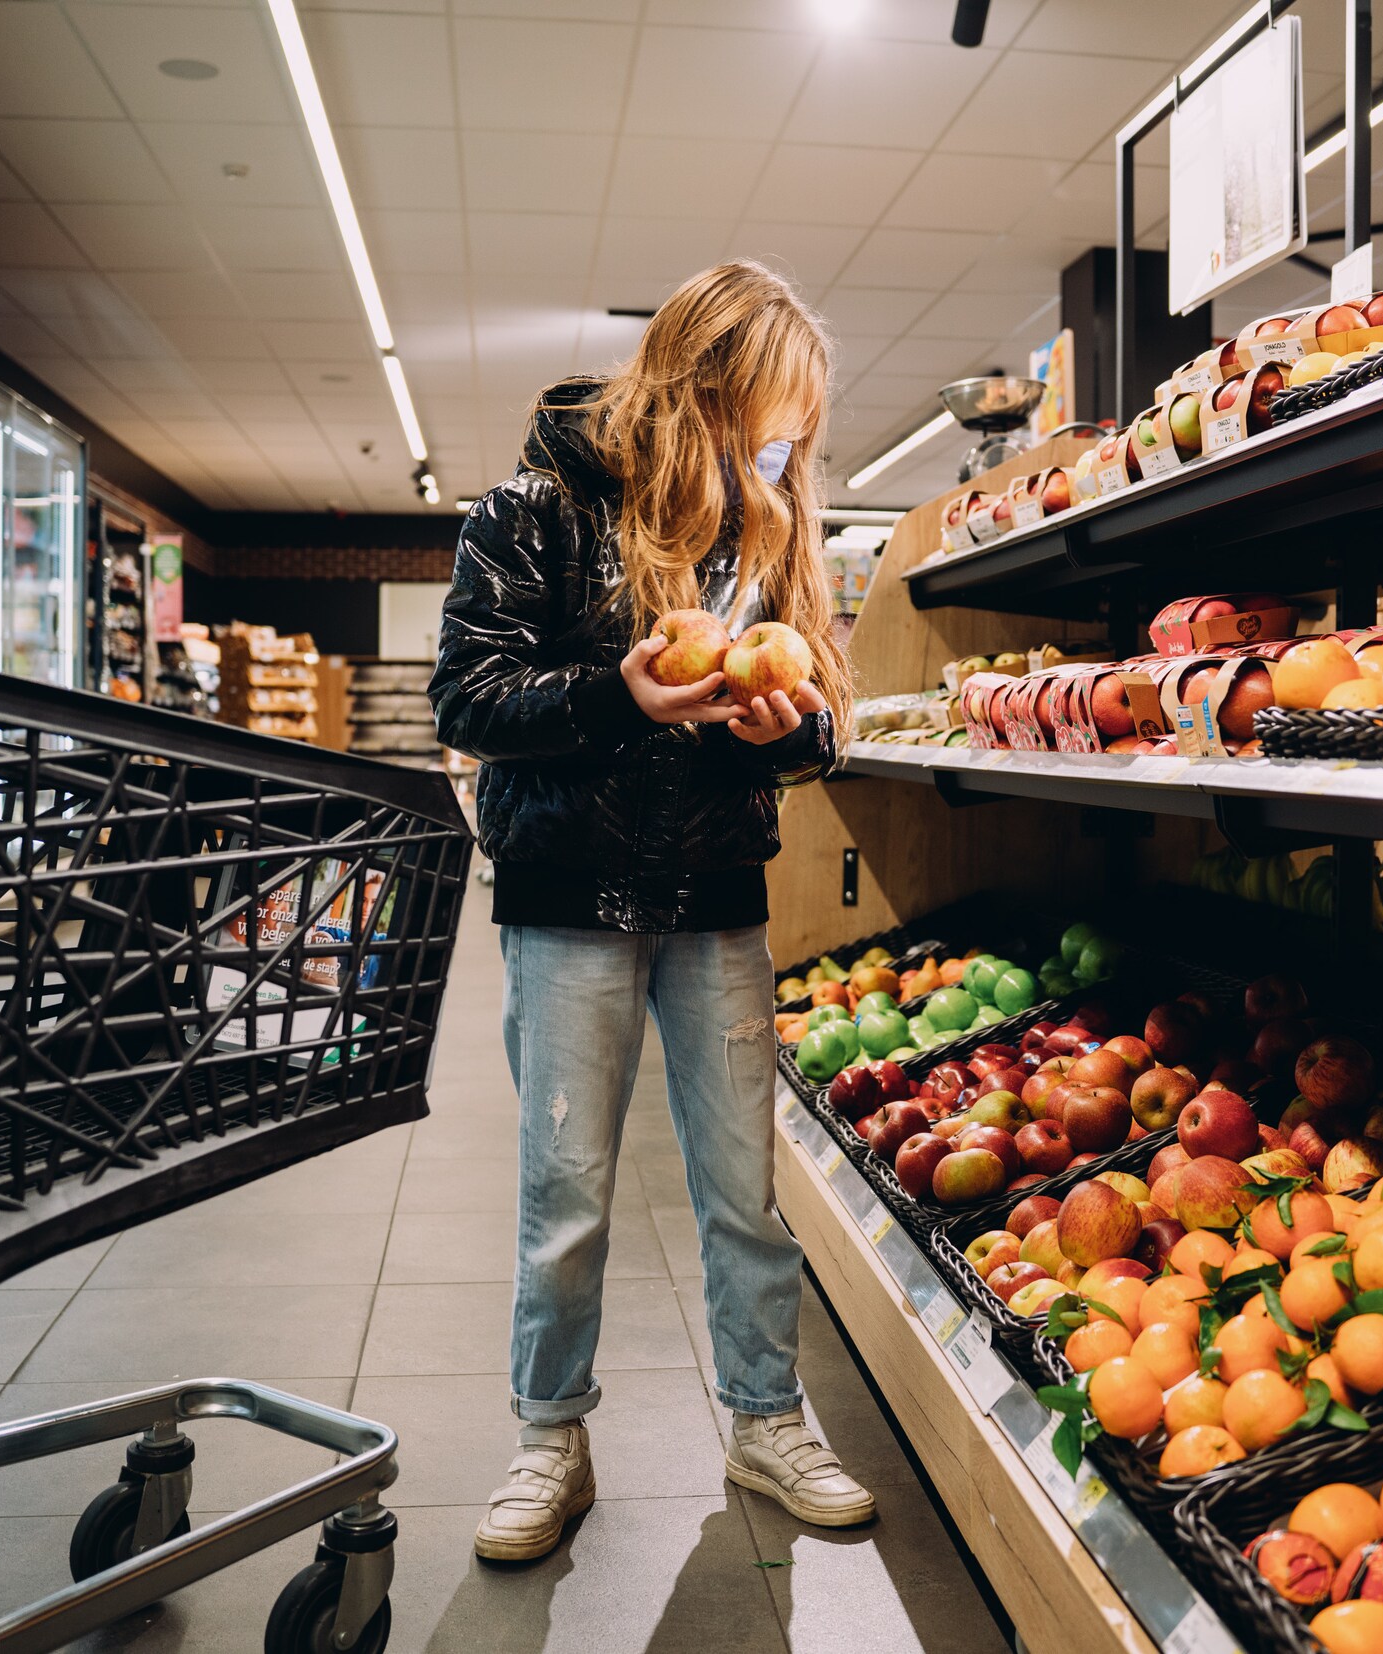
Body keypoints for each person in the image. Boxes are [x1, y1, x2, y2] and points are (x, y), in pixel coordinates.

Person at [429, 261, 873, 1562]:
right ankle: (548, 1432)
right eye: (759, 421)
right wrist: (621, 690)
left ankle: (765, 1416)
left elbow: (825, 729)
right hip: (569, 899)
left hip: (719, 899)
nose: (777, 450)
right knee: (566, 1189)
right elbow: (467, 698)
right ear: (695, 393)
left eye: (794, 428)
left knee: (744, 1187)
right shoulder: (534, 507)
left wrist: (788, 731)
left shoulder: (772, 528)